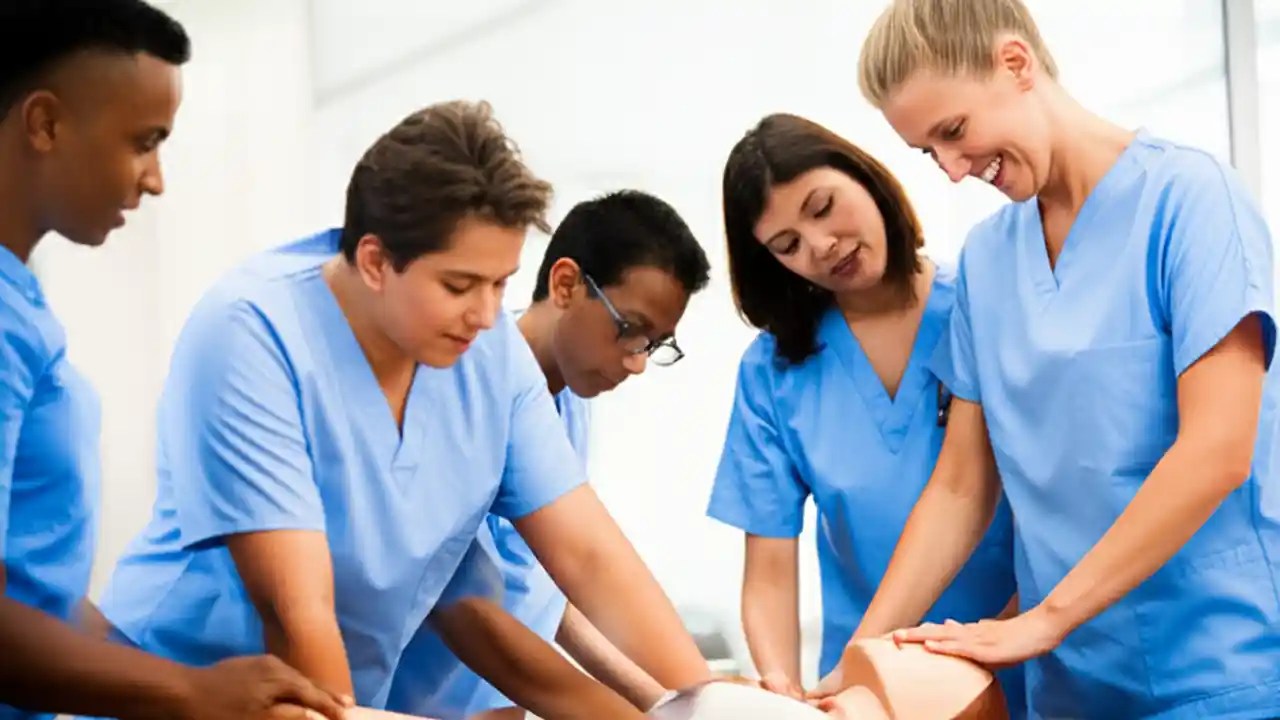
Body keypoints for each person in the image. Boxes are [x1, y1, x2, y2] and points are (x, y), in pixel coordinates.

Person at [92, 99, 714, 719]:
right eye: (458, 285)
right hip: (185, 690)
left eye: (500, 283)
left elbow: (589, 557)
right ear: (375, 262)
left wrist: (714, 702)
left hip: (339, 703)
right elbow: (296, 612)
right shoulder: (253, 333)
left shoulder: (490, 355)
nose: (487, 315)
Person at [816, 0, 1280, 717]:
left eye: (954, 131)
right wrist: (858, 662)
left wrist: (1045, 617)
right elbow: (962, 488)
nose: (951, 170)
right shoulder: (989, 260)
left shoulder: (1190, 202)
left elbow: (1217, 451)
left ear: (1015, 64)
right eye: (927, 152)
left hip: (1217, 672)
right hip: (1069, 686)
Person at [0, 2, 347, 719]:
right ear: (45, 123)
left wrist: (178, 682)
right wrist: (188, 692)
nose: (154, 178)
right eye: (143, 141)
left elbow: (37, 592)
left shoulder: (23, 307)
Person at [706, 112, 1022, 717]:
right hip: (869, 695)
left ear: (865, 177)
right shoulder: (775, 371)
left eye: (823, 207)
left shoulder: (984, 306)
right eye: (787, 245)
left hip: (1022, 664)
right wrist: (785, 690)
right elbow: (770, 568)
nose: (821, 247)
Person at [387, 189, 713, 720]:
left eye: (653, 345)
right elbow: (469, 608)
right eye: (629, 331)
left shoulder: (570, 401)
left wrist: (679, 700)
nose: (636, 364)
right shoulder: (468, 385)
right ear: (565, 285)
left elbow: (557, 584)